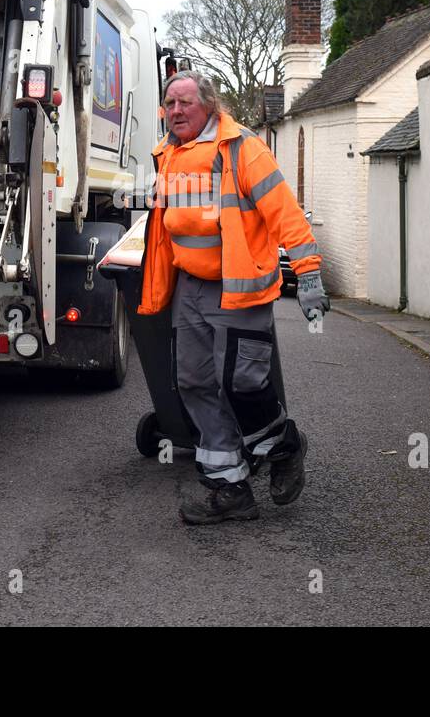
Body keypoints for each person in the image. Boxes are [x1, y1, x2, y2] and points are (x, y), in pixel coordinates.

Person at [138, 70, 329, 524]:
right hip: (191, 288)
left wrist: (308, 274)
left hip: (238, 287)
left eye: (185, 102)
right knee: (194, 383)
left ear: (209, 104)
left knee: (242, 383)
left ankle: (283, 447)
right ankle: (229, 489)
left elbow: (284, 211)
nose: (176, 110)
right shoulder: (168, 153)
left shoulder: (242, 148)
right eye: (170, 102)